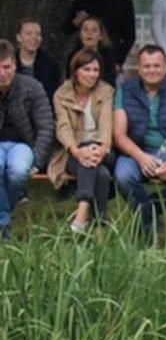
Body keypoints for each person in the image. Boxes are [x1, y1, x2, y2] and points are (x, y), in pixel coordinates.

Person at [111, 45, 166, 235]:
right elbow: (119, 135)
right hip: (135, 151)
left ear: (165, 67)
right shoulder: (124, 91)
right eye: (147, 66)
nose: (152, 70)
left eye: (157, 66)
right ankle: (148, 220)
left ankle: (147, 210)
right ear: (139, 69)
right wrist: (141, 157)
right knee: (123, 177)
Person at [48, 48, 115, 232]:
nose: (92, 74)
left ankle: (81, 214)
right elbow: (63, 127)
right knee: (100, 174)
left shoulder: (106, 91)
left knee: (91, 156)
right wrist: (76, 151)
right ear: (75, 70)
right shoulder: (61, 94)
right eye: (87, 69)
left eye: (95, 70)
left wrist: (101, 148)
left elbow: (106, 122)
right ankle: (100, 227)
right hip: (73, 150)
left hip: (103, 149)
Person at [0, 42, 53, 238]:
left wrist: (38, 160)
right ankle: (4, 222)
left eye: (6, 67)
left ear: (14, 65)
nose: (2, 73)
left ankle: (6, 208)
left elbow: (46, 127)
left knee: (17, 171)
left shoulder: (32, 88)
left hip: (23, 144)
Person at [68, 0, 136, 76]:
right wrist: (76, 21)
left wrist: (119, 61)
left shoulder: (125, 1)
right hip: (84, 58)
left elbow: (130, 36)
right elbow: (66, 28)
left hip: (111, 59)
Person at [68, 17, 120, 89]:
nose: (89, 33)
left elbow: (109, 83)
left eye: (94, 30)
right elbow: (69, 81)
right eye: (85, 30)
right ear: (80, 35)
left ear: (101, 36)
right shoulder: (73, 56)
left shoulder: (108, 57)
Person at [15, 20, 60, 95]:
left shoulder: (50, 65)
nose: (34, 37)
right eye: (29, 33)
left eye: (38, 34)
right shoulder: (8, 61)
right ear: (19, 37)